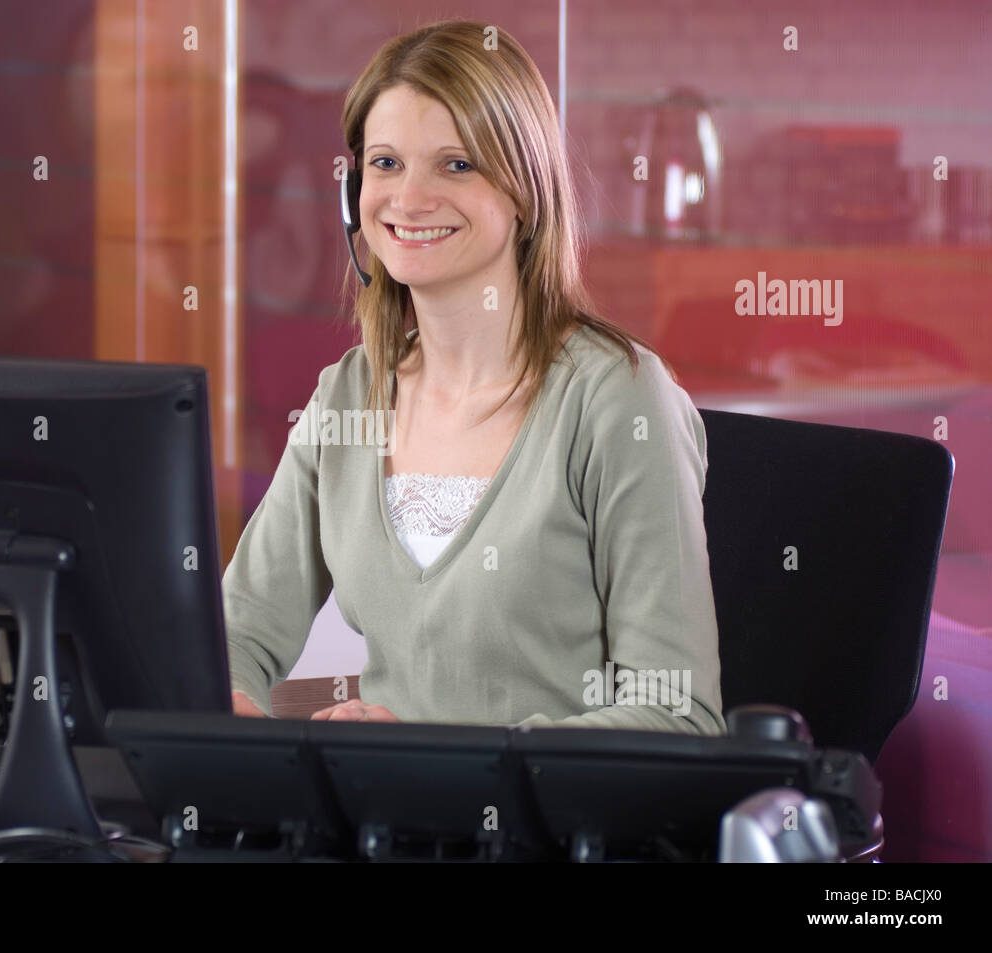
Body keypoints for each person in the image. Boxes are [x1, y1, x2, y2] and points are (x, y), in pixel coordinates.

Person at [225, 18, 724, 733]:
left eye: (456, 164)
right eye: (387, 163)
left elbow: (681, 716)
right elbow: (236, 633)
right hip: (388, 826)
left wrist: (438, 763)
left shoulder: (618, 399)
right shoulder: (349, 394)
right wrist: (234, 732)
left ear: (524, 191)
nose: (409, 198)